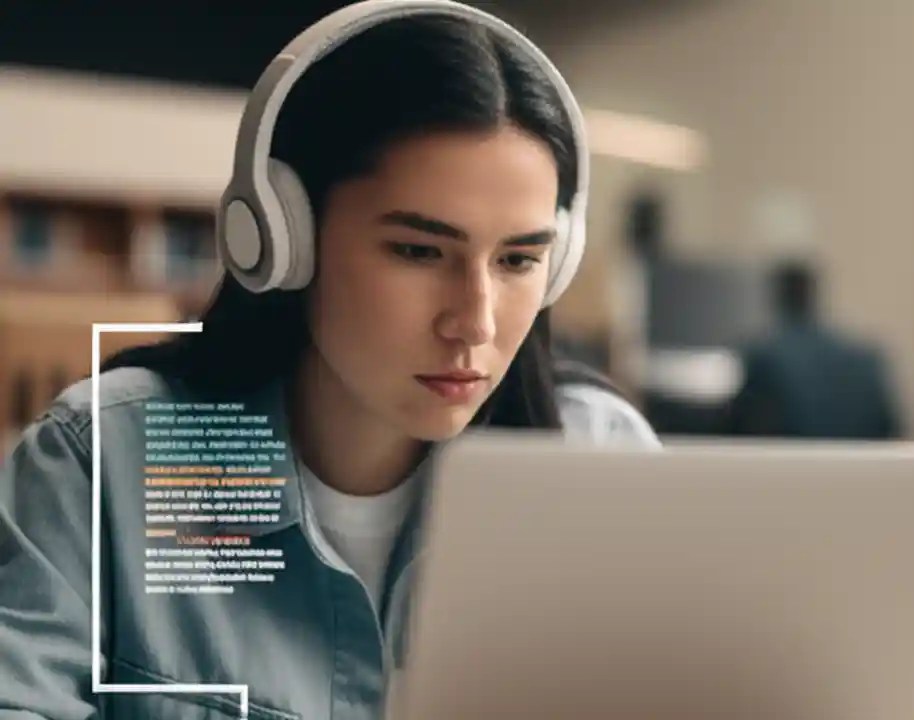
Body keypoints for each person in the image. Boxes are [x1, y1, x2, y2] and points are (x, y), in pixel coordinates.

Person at [0, 6, 658, 719]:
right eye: (418, 251)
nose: (476, 320)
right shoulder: (108, 462)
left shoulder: (605, 457)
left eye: (519, 259)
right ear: (285, 237)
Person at [728, 261, 901, 439]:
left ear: (778, 296)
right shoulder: (863, 356)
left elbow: (741, 428)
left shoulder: (763, 356)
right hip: (857, 463)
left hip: (793, 462)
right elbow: (889, 427)